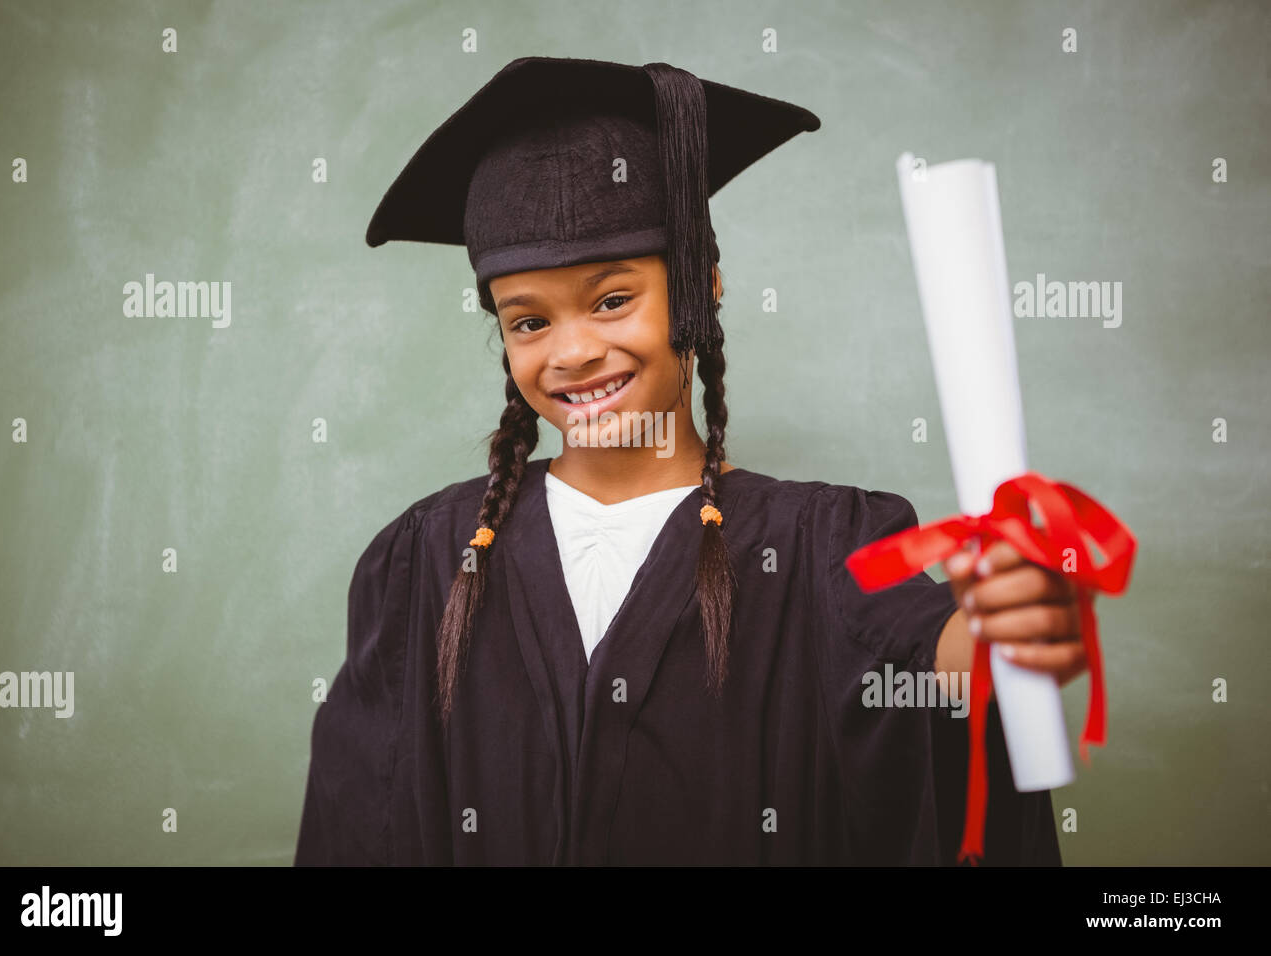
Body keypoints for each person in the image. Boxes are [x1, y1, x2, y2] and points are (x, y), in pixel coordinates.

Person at [294, 56, 1087, 866]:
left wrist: (1006, 629)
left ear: (701, 289)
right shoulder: (429, 558)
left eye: (612, 300)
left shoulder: (815, 544)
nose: (571, 351)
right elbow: (358, 823)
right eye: (528, 321)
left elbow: (930, 661)